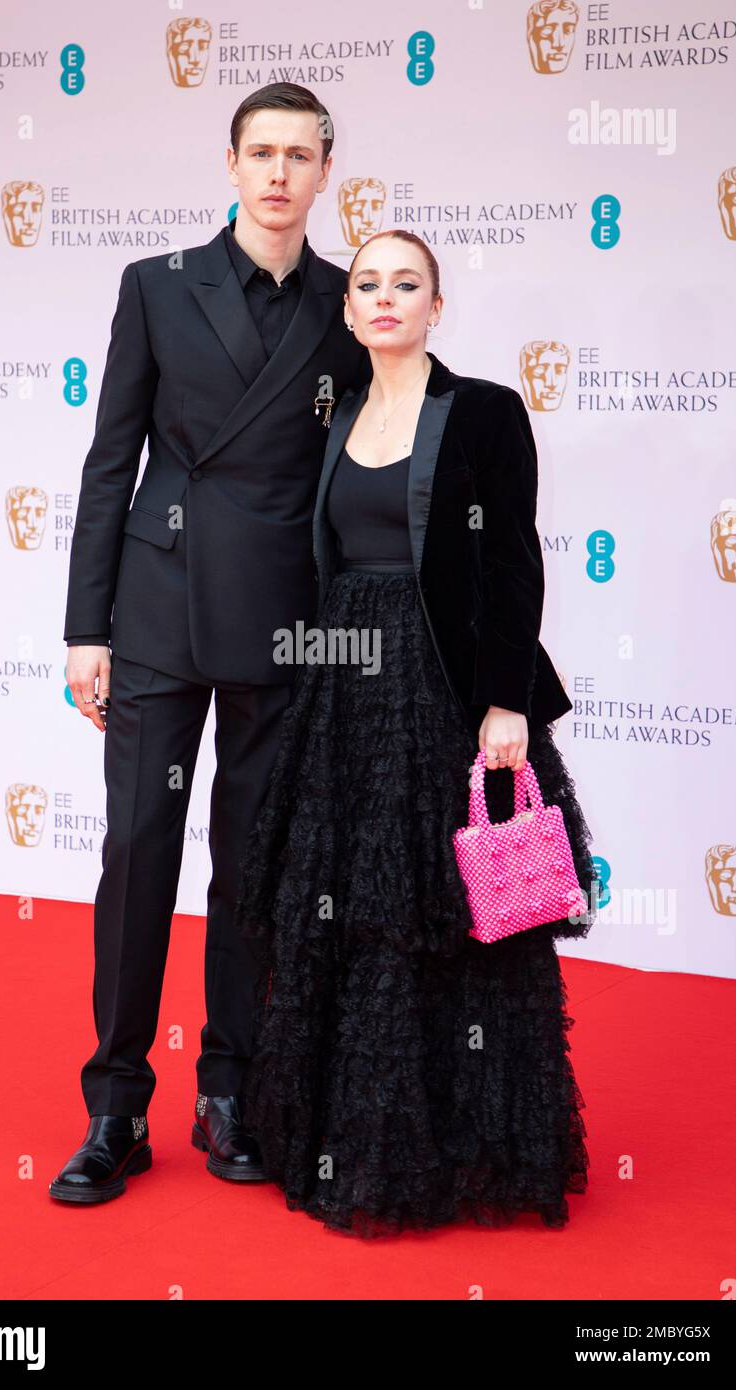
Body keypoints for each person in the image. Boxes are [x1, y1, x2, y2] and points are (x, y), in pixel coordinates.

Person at [232, 228, 598, 1237]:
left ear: (437, 306)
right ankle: (349, 1133)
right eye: (367, 285)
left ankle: (463, 1143)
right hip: (344, 698)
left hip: (443, 693)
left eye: (407, 283)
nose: (385, 298)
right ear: (346, 312)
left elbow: (512, 564)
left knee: (450, 914)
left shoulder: (481, 411)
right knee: (342, 911)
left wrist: (505, 701)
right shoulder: (337, 412)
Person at [49, 83, 370, 1204]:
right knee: (137, 853)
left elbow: (361, 480)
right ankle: (115, 1106)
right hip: (157, 605)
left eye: (299, 155)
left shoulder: (348, 303)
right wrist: (87, 624)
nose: (279, 173)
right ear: (229, 165)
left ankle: (229, 1090)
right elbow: (110, 463)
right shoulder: (155, 287)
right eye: (260, 153)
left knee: (254, 866)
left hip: (288, 619)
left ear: (326, 171)